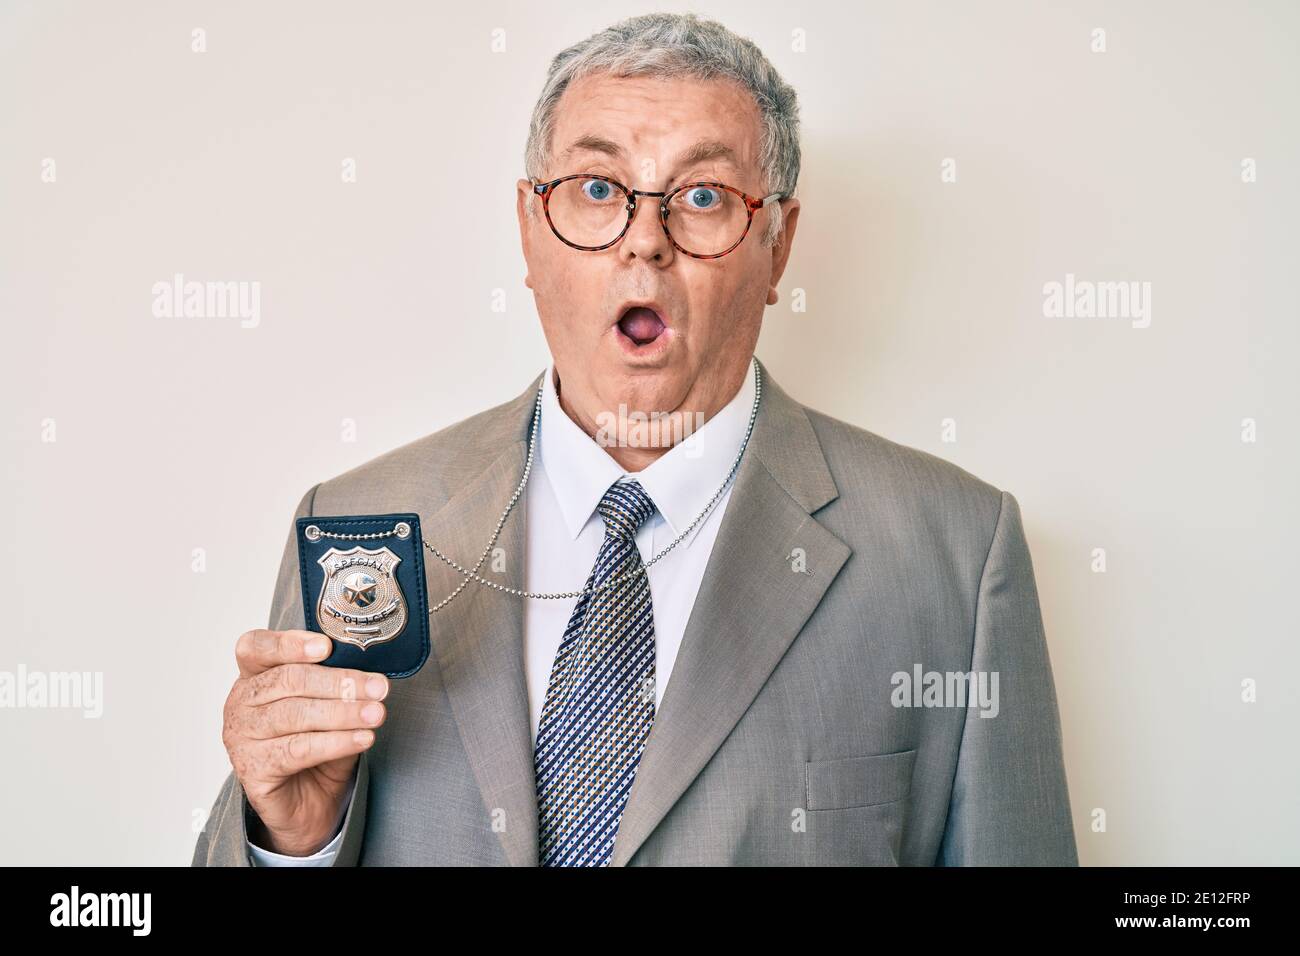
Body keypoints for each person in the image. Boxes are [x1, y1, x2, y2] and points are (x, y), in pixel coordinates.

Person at [193, 11, 1076, 867]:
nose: (644, 244)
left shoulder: (955, 555)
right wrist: (294, 845)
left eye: (701, 196)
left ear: (778, 246)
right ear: (531, 233)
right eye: (598, 190)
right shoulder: (361, 526)